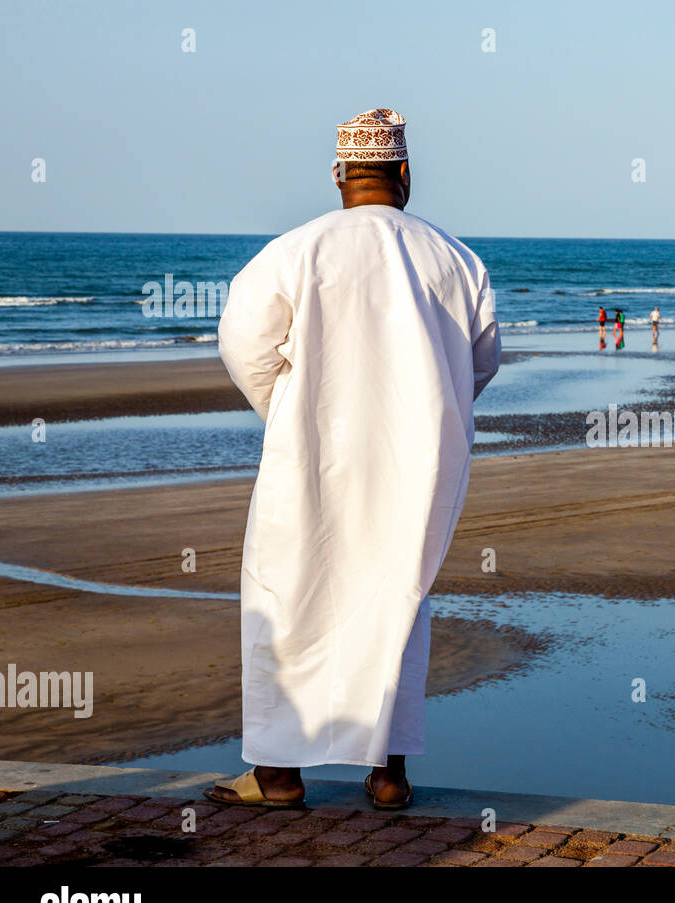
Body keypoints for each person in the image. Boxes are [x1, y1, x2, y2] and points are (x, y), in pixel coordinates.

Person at [206, 108, 500, 812]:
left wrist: (287, 407)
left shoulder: (294, 251)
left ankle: (278, 778)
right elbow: (480, 359)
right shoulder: (455, 259)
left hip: (307, 459)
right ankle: (388, 773)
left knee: (287, 594)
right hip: (414, 465)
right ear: (404, 173)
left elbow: (241, 345)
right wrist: (425, 412)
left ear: (339, 175)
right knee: (394, 598)